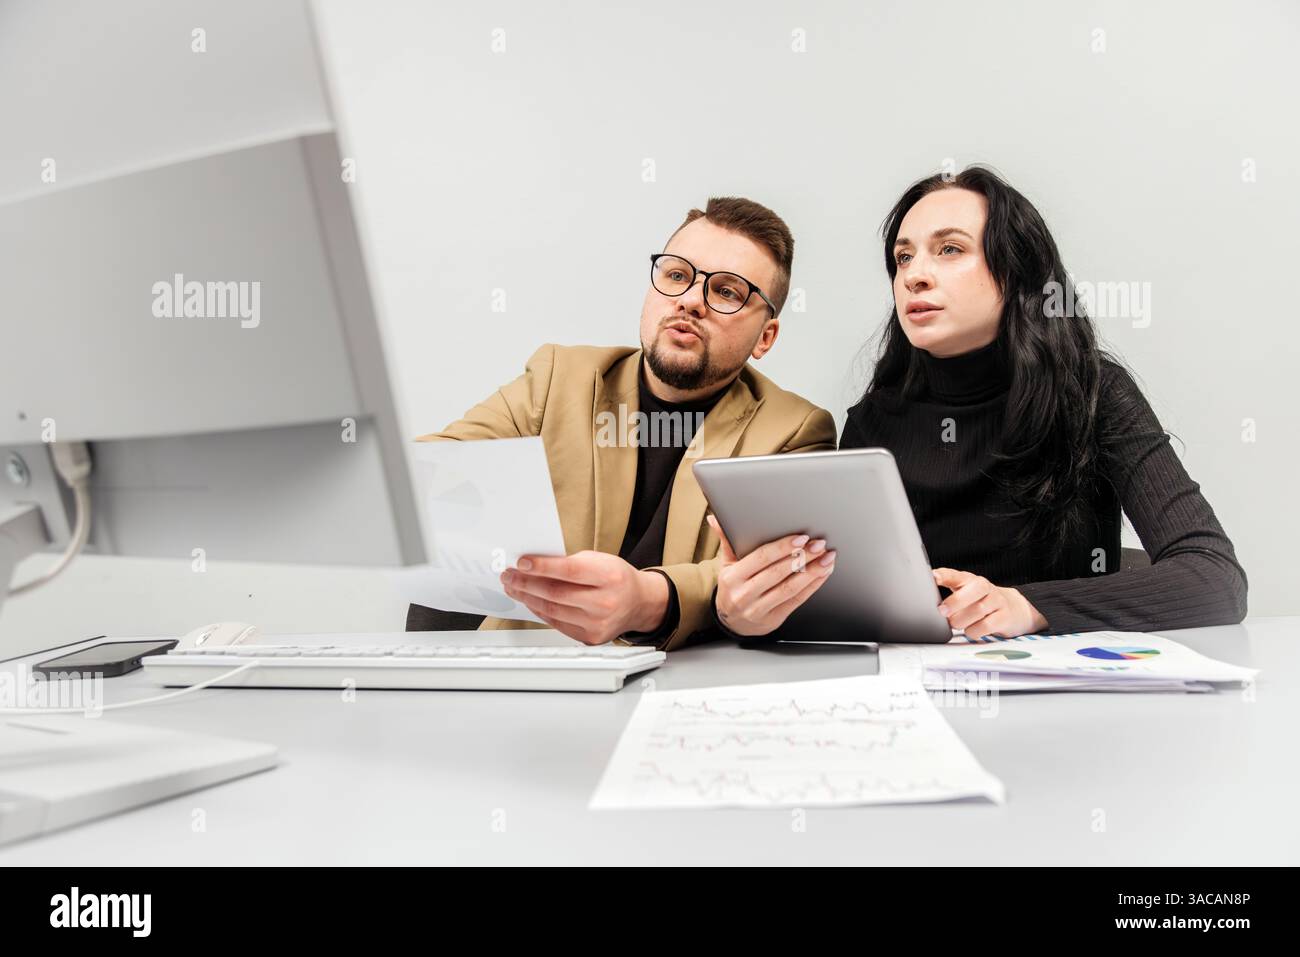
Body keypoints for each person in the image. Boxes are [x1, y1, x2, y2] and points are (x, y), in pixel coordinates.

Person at [713, 166, 1247, 640]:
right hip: (919, 699)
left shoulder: (1095, 393)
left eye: (950, 249)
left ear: (1015, 272)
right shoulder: (874, 420)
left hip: (1067, 704)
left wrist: (1028, 606)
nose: (914, 274)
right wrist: (750, 615)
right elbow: (847, 611)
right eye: (903, 257)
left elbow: (1215, 577)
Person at [412, 197, 837, 651]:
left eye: (727, 292)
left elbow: (765, 572)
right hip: (529, 679)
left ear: (765, 337)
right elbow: (431, 472)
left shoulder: (795, 431)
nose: (692, 301)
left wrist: (649, 599)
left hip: (682, 696)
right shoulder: (558, 378)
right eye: (677, 275)